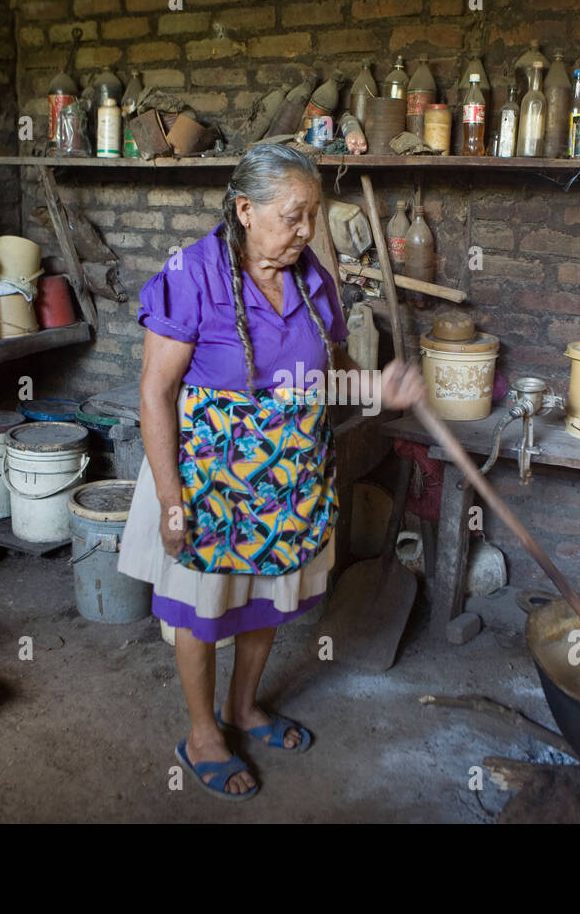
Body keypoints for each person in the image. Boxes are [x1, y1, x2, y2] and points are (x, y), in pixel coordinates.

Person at [117, 143, 425, 801]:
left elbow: (331, 375)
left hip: (290, 481)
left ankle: (244, 707)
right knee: (202, 611)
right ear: (245, 210)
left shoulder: (311, 277)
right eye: (293, 217)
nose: (307, 232)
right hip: (209, 483)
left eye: (312, 215)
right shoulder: (191, 276)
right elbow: (154, 393)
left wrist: (381, 386)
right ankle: (203, 733)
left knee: (267, 598)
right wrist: (172, 500)